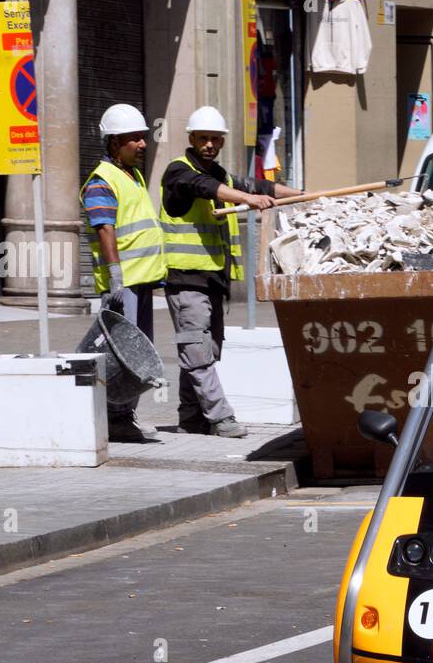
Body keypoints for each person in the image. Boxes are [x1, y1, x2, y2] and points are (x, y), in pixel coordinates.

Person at [159, 106, 303, 437]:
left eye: (215, 139)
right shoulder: (177, 172)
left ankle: (191, 418)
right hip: (185, 279)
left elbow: (262, 187)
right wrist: (245, 199)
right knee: (197, 350)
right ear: (192, 138)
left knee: (202, 351)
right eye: (204, 138)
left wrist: (304, 196)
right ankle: (221, 417)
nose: (210, 144)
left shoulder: (222, 176)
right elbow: (203, 187)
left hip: (212, 280)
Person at [80, 104, 167, 443]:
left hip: (141, 279)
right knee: (122, 354)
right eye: (135, 139)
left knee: (138, 351)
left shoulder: (133, 175)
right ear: (115, 142)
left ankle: (122, 416)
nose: (143, 145)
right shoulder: (102, 180)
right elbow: (105, 230)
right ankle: (115, 418)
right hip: (124, 284)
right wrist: (115, 275)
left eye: (143, 138)